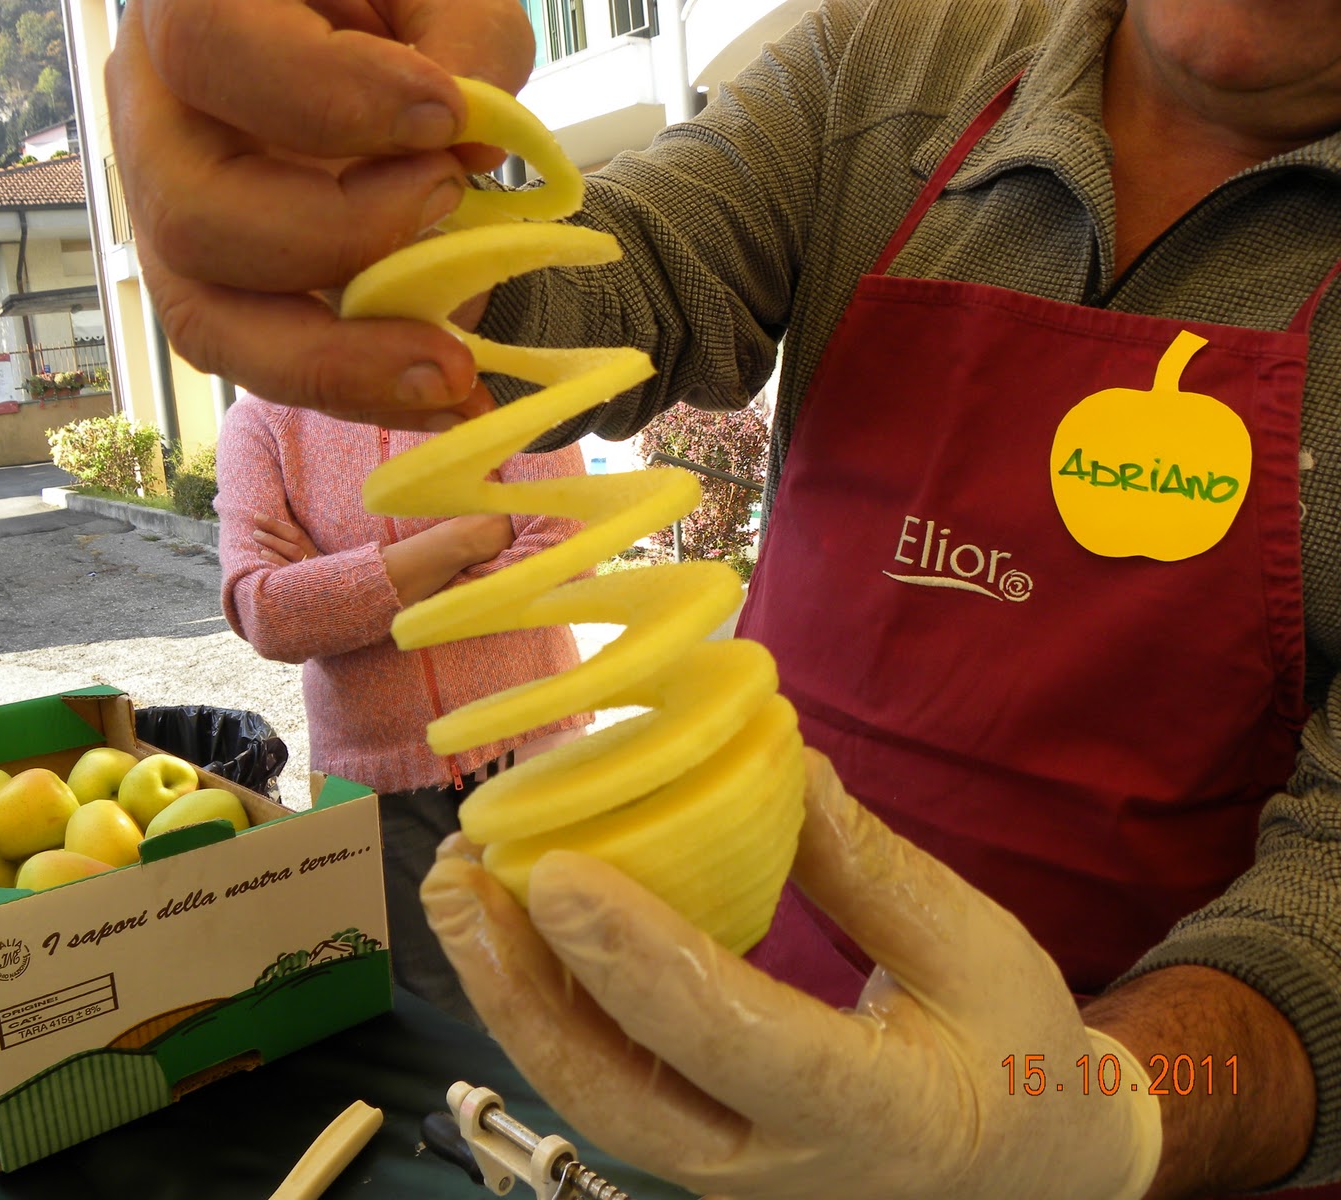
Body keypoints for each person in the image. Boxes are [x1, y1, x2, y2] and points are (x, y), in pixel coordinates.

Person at [107, 1, 1341, 1196]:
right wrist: (365, 198)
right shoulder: (890, 62)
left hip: (1184, 1137)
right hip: (738, 1031)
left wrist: (1103, 1117)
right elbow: (614, 272)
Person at [214, 395, 592, 1025]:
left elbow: (565, 559)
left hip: (534, 743)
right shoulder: (261, 421)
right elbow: (267, 614)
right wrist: (461, 539)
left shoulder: (496, 378)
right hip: (377, 787)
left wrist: (330, 583)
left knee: (575, 998)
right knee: (439, 1027)